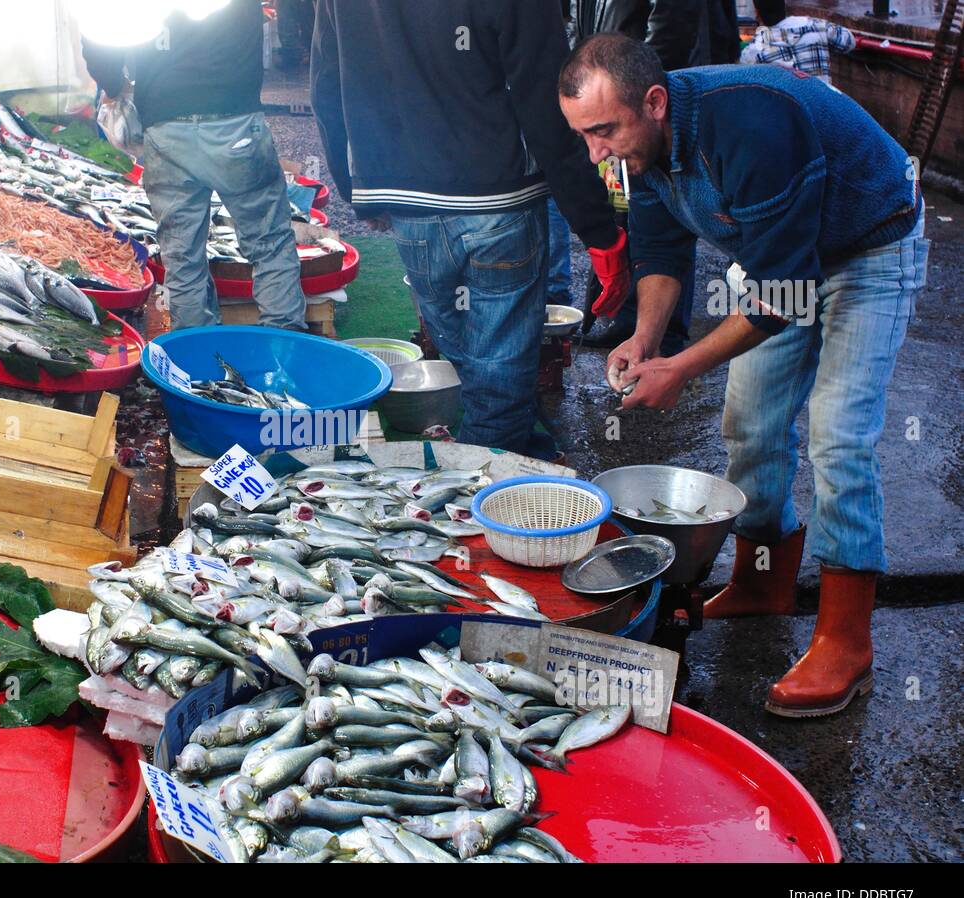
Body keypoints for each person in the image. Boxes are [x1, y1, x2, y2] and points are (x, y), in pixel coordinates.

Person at [558, 35, 929, 717]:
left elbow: (786, 293)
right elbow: (663, 246)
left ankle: (848, 642)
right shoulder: (642, 144)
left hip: (870, 246)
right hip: (781, 258)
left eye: (603, 131)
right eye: (583, 136)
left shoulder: (750, 122)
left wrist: (682, 367)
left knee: (838, 436)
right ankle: (764, 582)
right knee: (750, 422)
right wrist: (645, 340)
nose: (595, 153)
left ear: (655, 102)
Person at [311, 0, 630, 460]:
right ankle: (479, 498)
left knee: (476, 361)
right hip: (497, 198)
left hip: (409, 198)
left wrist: (358, 188)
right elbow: (547, 98)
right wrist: (598, 229)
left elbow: (326, 82)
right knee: (496, 376)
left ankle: (508, 451)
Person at [82, 1, 306, 330]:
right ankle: (286, 351)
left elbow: (98, 34)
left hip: (165, 126)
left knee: (182, 256)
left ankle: (196, 360)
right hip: (235, 122)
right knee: (269, 244)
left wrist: (115, 86)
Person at [563, 0, 705, 354]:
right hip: (609, 97)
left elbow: (672, 27)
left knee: (661, 213)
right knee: (624, 207)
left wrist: (627, 95)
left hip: (631, 99)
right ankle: (632, 322)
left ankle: (664, 332)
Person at [740, 0, 857, 86]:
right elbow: (849, 42)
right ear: (784, 5)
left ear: (757, 12)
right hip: (823, 108)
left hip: (790, 114)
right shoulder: (816, 26)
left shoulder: (753, 50)